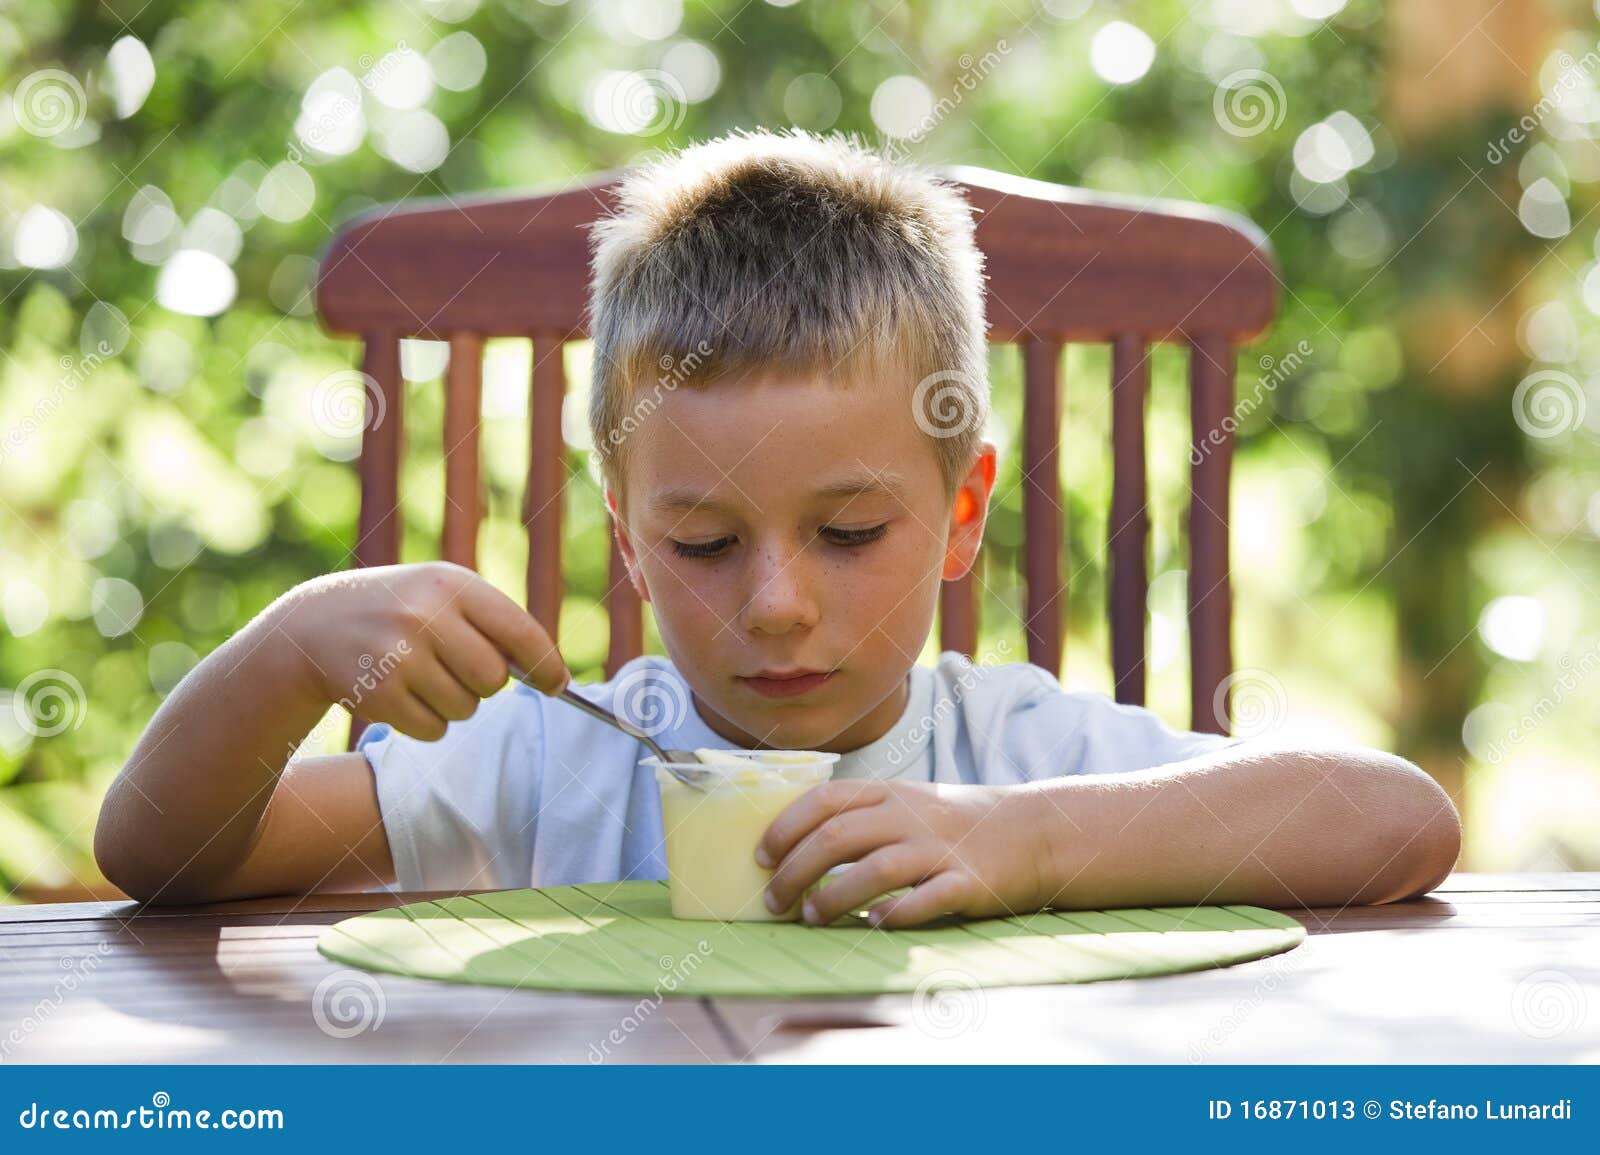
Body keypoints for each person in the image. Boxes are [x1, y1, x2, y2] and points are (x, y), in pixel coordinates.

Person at [95, 129, 1460, 927]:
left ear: (960, 512)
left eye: (852, 530)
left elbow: (1392, 822)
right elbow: (164, 859)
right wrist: (282, 650)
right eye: (700, 544)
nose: (777, 608)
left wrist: (1025, 845)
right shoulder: (549, 767)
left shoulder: (1012, 756)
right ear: (626, 535)